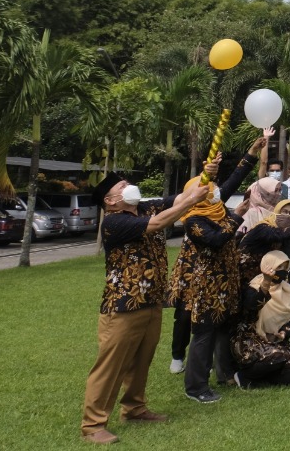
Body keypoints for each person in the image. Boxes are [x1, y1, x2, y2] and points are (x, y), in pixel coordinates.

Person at [81, 172, 210, 444]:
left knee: (142, 360)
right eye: (123, 186)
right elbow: (159, 223)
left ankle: (134, 408)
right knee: (111, 365)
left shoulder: (145, 206)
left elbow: (184, 196)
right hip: (123, 304)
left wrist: (207, 174)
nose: (129, 187)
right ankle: (93, 425)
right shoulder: (114, 222)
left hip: (151, 302)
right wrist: (190, 203)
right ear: (111, 200)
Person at [171, 135, 263, 405]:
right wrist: (237, 215)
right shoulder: (194, 220)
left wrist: (252, 152)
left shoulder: (215, 209)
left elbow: (234, 179)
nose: (214, 193)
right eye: (206, 191)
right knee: (204, 333)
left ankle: (225, 374)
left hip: (225, 282)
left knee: (223, 329)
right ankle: (196, 386)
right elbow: (216, 239)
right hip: (206, 287)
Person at [229, 250, 290, 389]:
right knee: (278, 356)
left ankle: (262, 376)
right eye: (279, 267)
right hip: (250, 339)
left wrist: (283, 333)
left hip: (275, 340)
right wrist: (266, 282)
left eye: (285, 268)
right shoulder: (254, 286)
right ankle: (243, 375)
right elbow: (252, 305)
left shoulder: (287, 289)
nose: (283, 272)